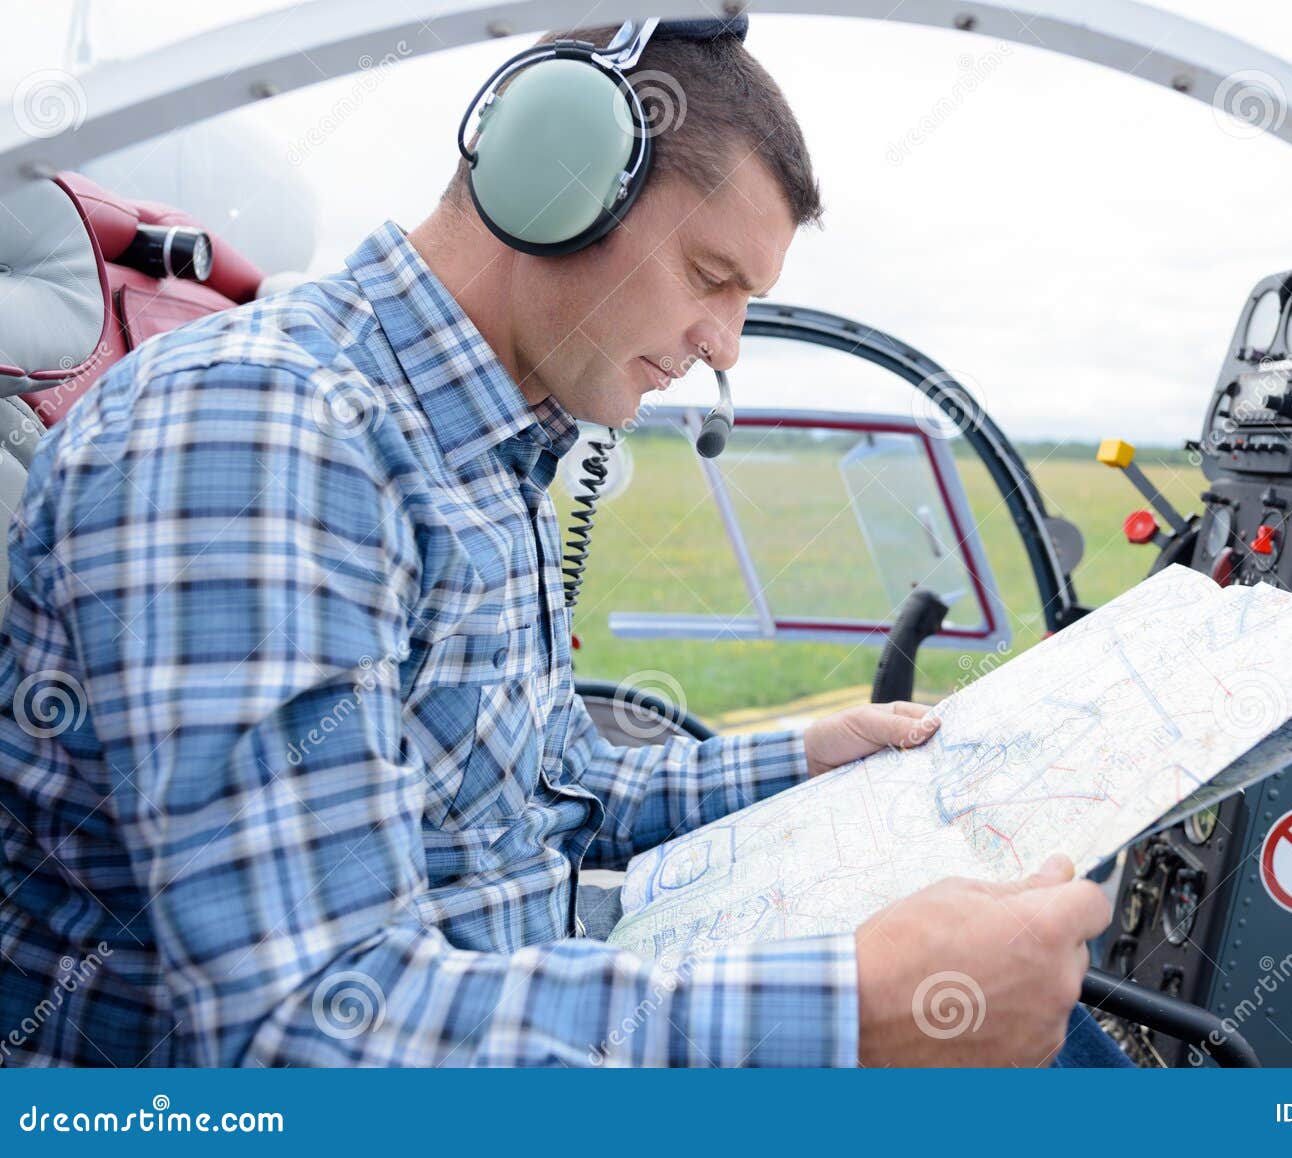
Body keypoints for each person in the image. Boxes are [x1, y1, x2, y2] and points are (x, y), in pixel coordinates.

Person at [0, 16, 1122, 1068]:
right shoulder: (263, 435)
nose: (722, 344)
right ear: (555, 186)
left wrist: (804, 759)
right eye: (710, 278)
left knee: (1048, 1022)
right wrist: (854, 1007)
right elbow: (312, 1025)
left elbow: (554, 791)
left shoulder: (490, 443)